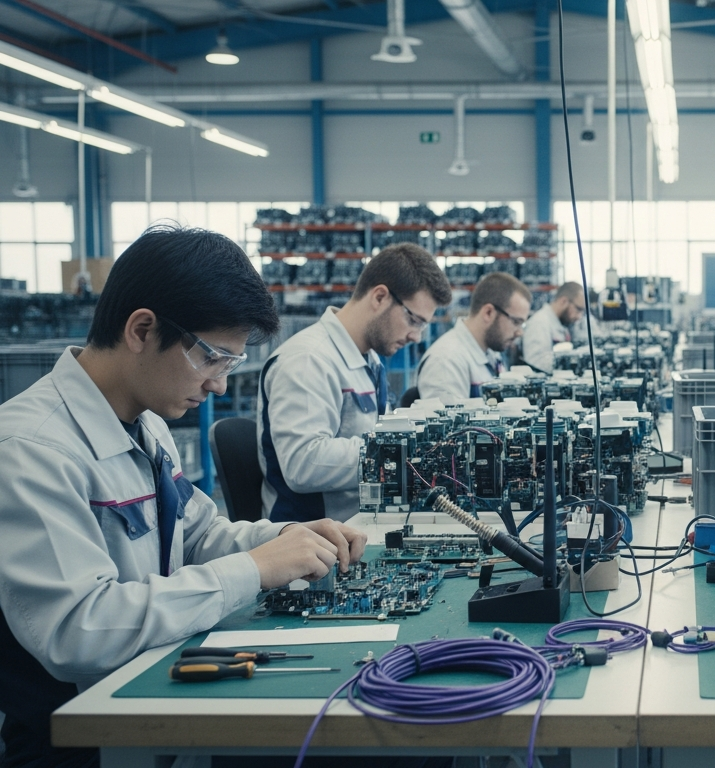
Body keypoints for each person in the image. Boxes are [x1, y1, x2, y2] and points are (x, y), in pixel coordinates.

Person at [0, 225, 368, 768]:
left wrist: (287, 538)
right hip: (87, 738)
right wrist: (251, 569)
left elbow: (198, 533)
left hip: (156, 689)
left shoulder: (144, 422)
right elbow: (78, 630)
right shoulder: (30, 450)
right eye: (214, 357)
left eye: (231, 364)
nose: (220, 384)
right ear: (142, 329)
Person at [259, 244, 451, 523]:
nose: (416, 337)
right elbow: (303, 463)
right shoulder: (308, 360)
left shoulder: (368, 359)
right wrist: (400, 450)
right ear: (380, 297)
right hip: (317, 540)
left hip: (359, 523)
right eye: (414, 320)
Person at [417, 271, 531, 400]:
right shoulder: (446, 362)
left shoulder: (491, 354)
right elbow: (450, 419)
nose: (519, 332)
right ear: (488, 313)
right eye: (516, 322)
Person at [519, 282, 585, 372]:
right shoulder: (539, 323)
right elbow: (535, 362)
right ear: (563, 301)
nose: (579, 316)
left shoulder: (561, 322)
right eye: (578, 309)